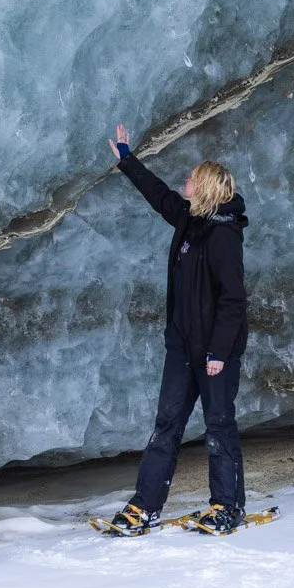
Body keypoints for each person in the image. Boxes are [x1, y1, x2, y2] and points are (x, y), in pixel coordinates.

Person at [103, 124, 250, 536]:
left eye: (190, 178)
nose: (184, 182)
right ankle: (144, 506)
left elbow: (233, 300)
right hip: (183, 346)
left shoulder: (223, 236)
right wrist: (128, 160)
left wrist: (219, 352)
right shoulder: (190, 219)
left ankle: (227, 505)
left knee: (219, 426)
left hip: (215, 353)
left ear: (203, 188)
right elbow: (159, 196)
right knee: (166, 425)